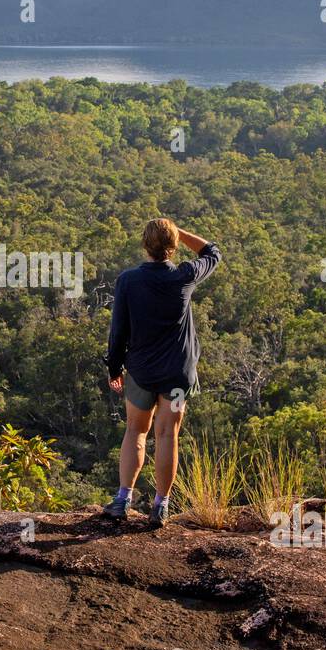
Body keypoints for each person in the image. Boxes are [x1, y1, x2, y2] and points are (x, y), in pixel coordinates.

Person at [103, 219, 222, 527]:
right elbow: (213, 251)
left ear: (145, 245)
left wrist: (114, 368)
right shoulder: (184, 276)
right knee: (168, 435)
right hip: (178, 375)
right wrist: (179, 234)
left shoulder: (128, 281)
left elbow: (118, 331)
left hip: (141, 371)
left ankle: (122, 500)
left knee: (135, 431)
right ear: (173, 246)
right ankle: (160, 506)